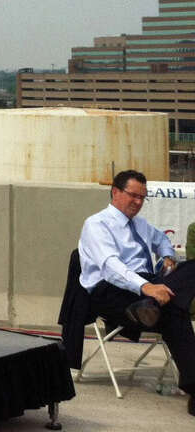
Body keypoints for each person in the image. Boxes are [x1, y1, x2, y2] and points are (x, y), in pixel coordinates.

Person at [78, 169, 195, 416]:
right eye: (133, 196)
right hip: (110, 292)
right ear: (115, 192)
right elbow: (111, 267)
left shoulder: (141, 224)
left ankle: (151, 305)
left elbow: (162, 239)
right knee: (175, 311)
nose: (138, 202)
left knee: (190, 271)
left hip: (146, 289)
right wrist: (147, 287)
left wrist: (167, 256)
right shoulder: (97, 224)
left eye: (143, 197)